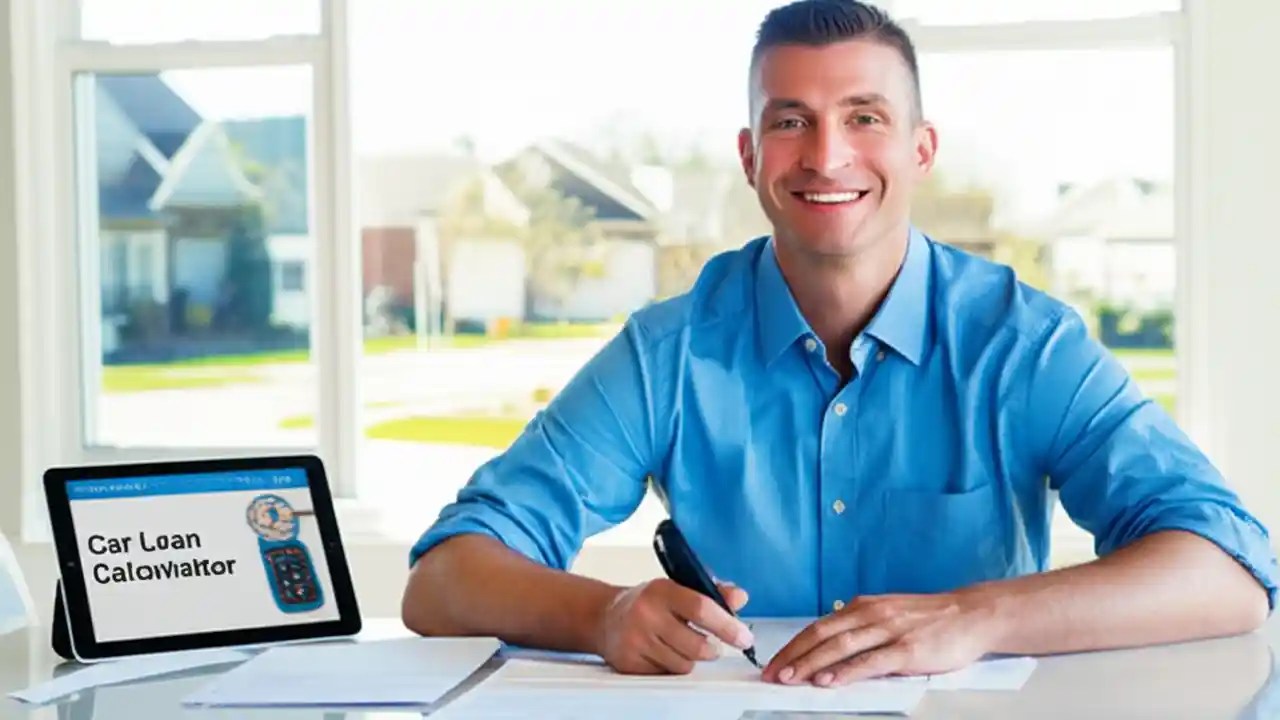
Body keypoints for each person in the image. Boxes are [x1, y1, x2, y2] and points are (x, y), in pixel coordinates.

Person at [401, 0, 1278, 687]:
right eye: (791, 121)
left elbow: (1229, 570)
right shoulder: (666, 352)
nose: (827, 157)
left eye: (864, 117)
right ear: (750, 156)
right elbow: (442, 579)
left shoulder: (1024, 345)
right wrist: (602, 614)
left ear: (921, 148)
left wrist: (974, 617)